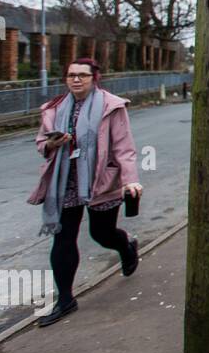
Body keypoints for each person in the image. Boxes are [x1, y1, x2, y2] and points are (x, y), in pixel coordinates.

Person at [27, 57, 144, 327]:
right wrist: (52, 143)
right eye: (71, 75)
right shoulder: (54, 108)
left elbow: (124, 146)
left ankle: (126, 247)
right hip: (64, 181)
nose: (76, 79)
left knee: (101, 234)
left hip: (101, 180)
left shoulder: (111, 106)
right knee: (63, 237)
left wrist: (130, 180)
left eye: (82, 75)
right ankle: (65, 299)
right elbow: (41, 142)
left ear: (95, 78)